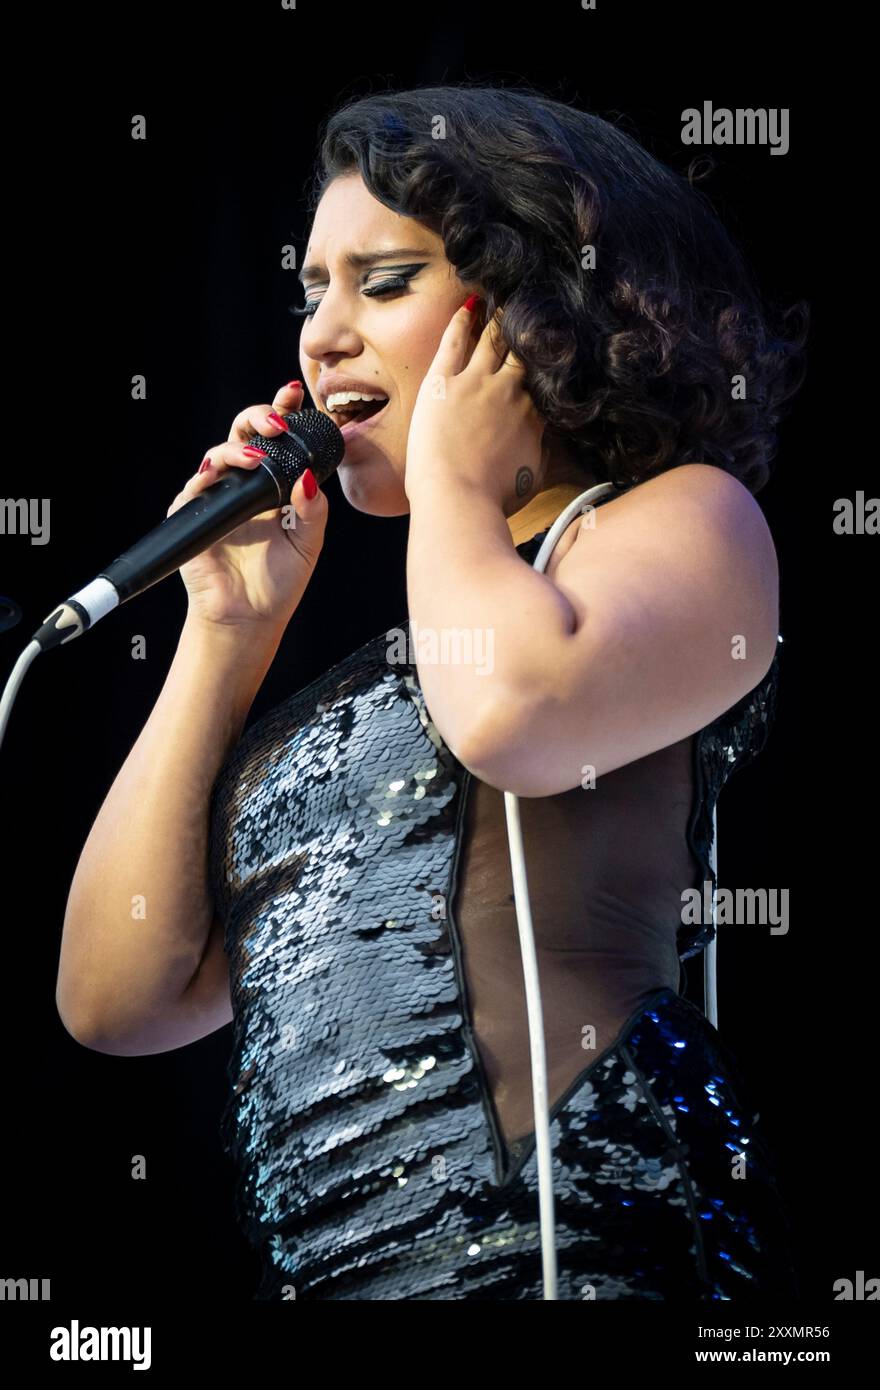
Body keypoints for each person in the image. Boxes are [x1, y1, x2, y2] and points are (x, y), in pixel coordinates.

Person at [57, 84, 809, 1301]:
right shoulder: (374, 680)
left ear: (528, 308)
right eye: (311, 293)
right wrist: (225, 634)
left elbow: (512, 716)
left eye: (384, 282)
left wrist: (458, 479)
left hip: (584, 1265)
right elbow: (116, 996)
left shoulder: (679, 520)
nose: (321, 336)